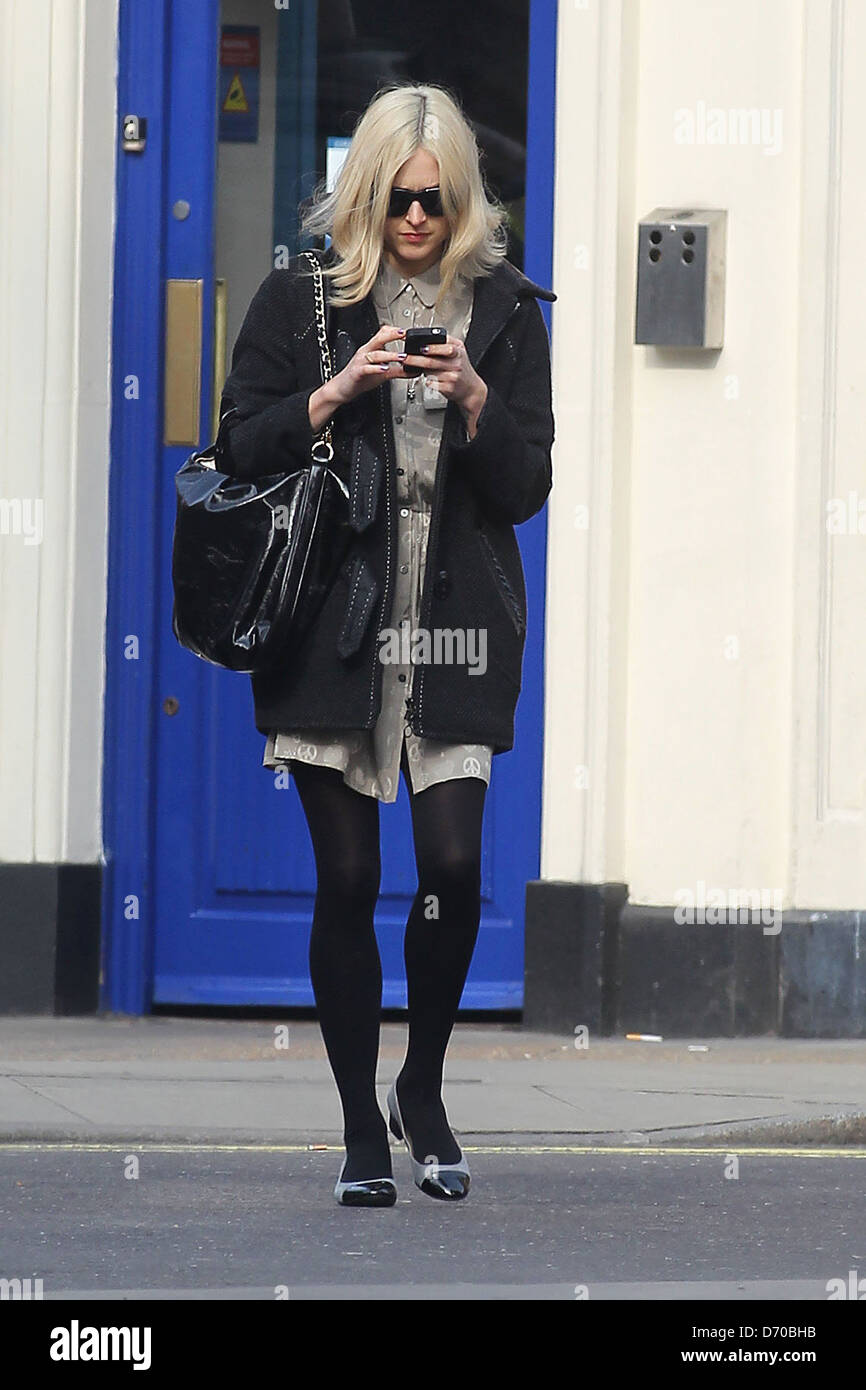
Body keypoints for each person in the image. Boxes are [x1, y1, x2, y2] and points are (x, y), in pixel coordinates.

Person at [218, 81, 555, 1207]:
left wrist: (472, 398)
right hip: (334, 628)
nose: (416, 220)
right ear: (365, 194)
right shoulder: (301, 300)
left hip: (452, 627)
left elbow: (523, 489)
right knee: (350, 875)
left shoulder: (503, 311)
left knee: (452, 867)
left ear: (460, 200)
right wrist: (337, 389)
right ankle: (361, 1126)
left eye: (436, 201)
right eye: (399, 201)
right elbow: (237, 448)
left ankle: (422, 1083)